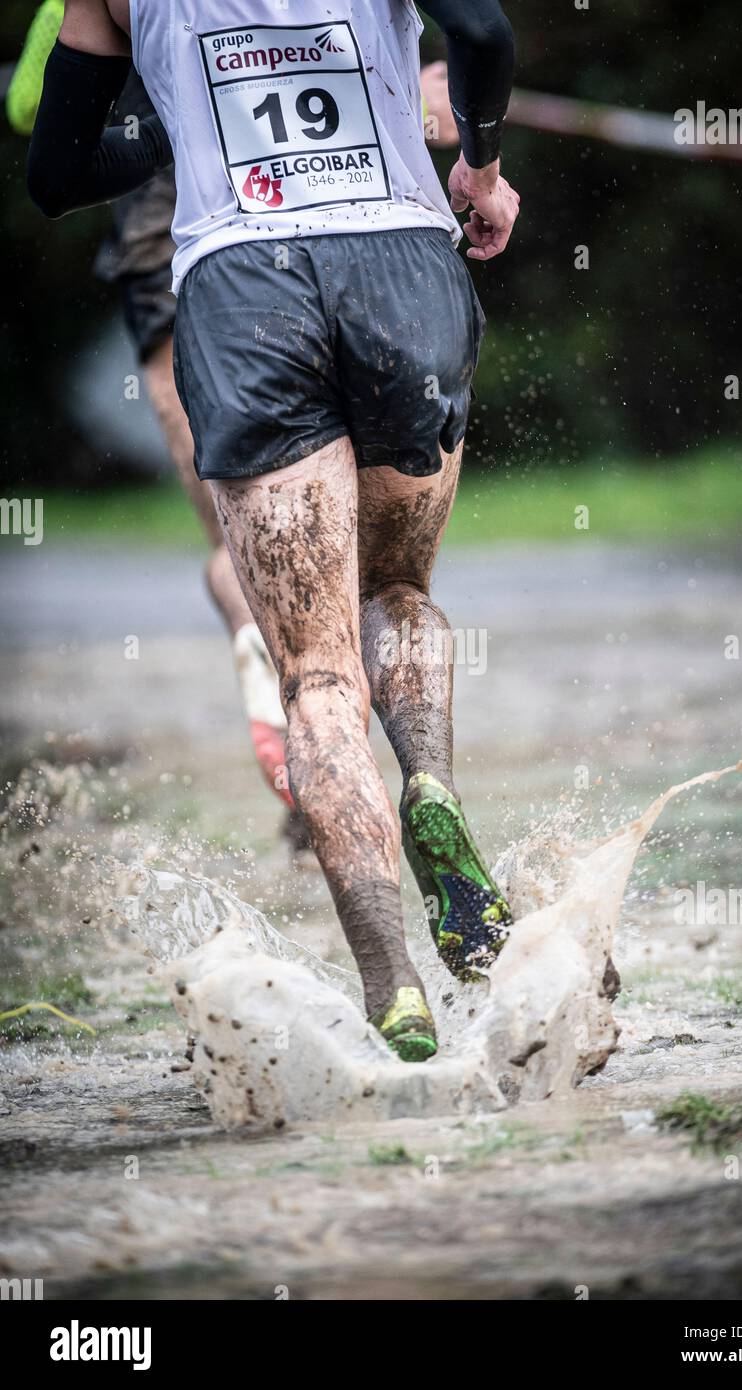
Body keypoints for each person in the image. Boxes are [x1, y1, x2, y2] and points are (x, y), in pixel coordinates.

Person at [27, 0, 520, 1062]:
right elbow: (479, 35)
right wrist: (478, 168)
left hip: (245, 287)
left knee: (317, 675)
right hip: (399, 263)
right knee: (398, 592)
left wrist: (181, 114)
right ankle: (429, 779)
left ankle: (391, 989)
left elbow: (55, 167)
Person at [9, 3, 458, 857]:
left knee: (242, 543)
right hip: (242, 235)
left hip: (227, 244)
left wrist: (180, 106)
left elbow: (34, 113)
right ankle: (327, 749)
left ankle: (303, 746)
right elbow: (34, 105)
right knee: (351, 567)